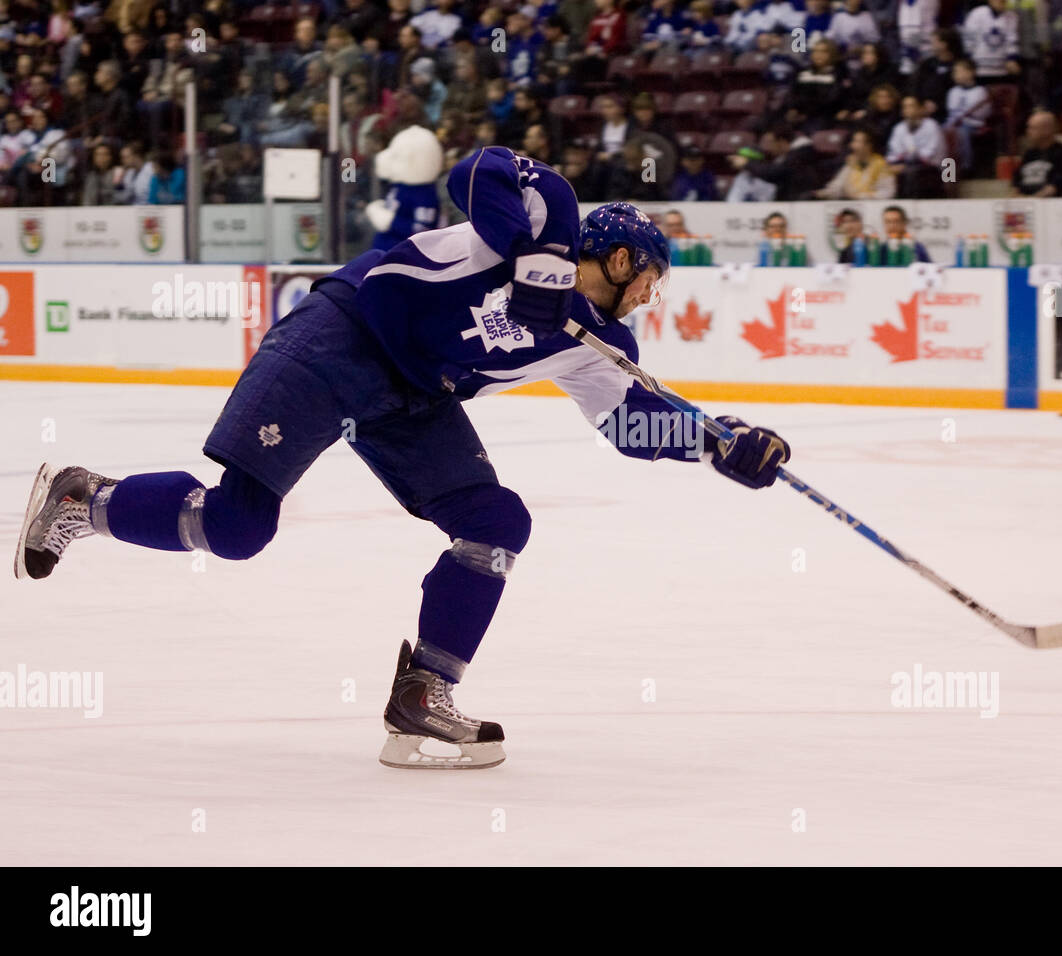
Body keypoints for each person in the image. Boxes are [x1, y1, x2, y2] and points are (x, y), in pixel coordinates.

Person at [15, 151, 792, 771]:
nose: (653, 296)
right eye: (653, 277)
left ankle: (425, 692)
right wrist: (544, 259)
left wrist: (718, 442)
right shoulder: (529, 224)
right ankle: (87, 499)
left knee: (496, 521)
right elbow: (480, 170)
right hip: (340, 340)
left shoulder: (603, 344)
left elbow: (629, 423)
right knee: (239, 527)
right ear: (622, 258)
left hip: (414, 398)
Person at [886, 94, 945, 198]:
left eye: (911, 106)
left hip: (931, 169)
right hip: (905, 166)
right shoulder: (899, 128)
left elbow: (929, 154)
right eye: (905, 107)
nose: (908, 110)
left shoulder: (931, 126)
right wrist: (894, 164)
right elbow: (893, 153)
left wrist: (905, 163)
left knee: (910, 174)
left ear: (921, 109)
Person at [1011, 110, 1062, 197]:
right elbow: (1016, 183)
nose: (1028, 132)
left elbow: (1056, 185)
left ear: (1047, 130)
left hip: (1051, 204)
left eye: (1033, 128)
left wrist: (1033, 200)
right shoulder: (1029, 154)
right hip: (1025, 204)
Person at [816, 128, 895, 199]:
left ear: (868, 145)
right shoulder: (852, 163)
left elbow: (888, 192)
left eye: (857, 141)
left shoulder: (880, 164)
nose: (852, 145)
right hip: (851, 204)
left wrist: (861, 196)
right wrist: (822, 193)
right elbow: (837, 187)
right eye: (852, 141)